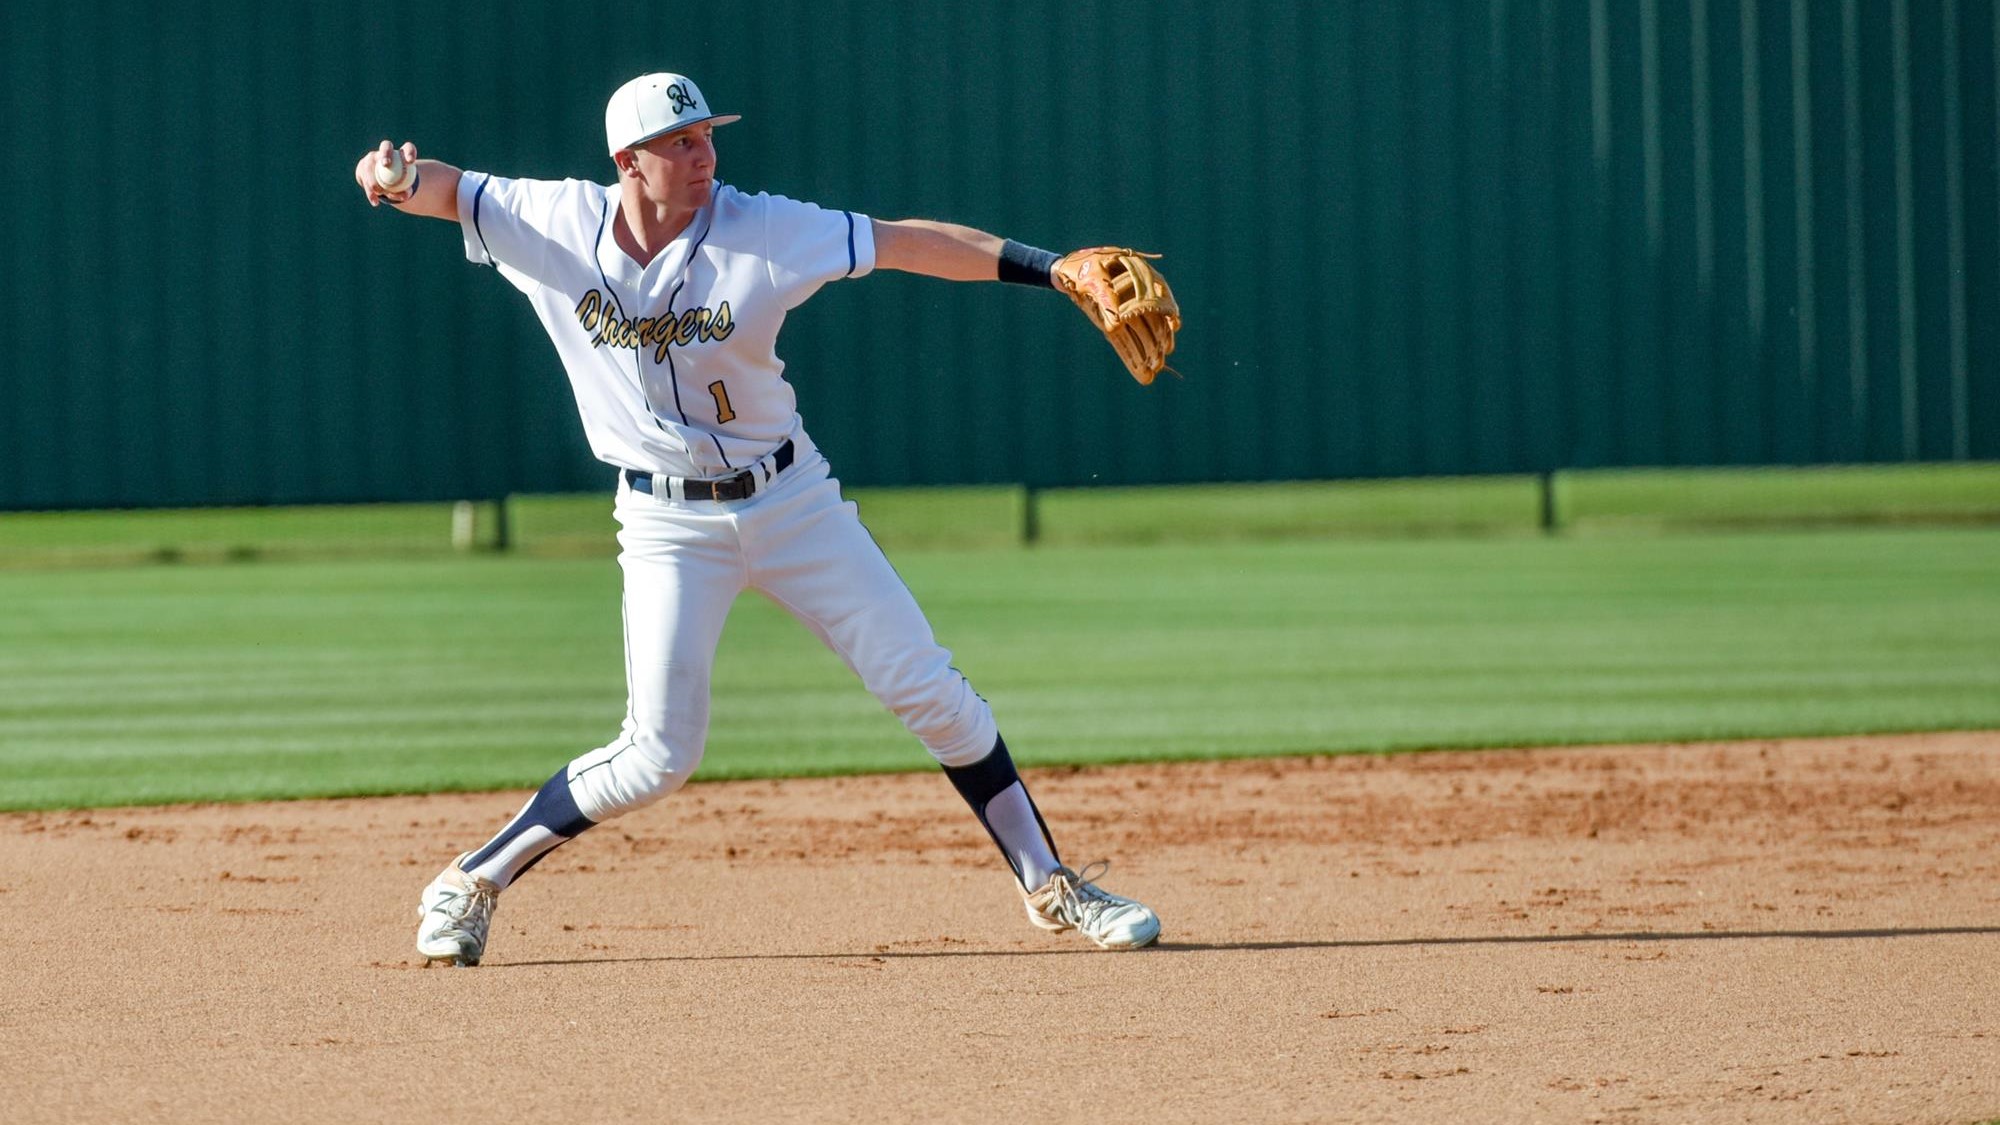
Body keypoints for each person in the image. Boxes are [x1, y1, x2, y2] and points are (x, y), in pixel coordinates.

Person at [353, 72, 1161, 966]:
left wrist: (1048, 267)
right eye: (681, 142)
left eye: (707, 135)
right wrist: (394, 178)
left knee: (932, 691)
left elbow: (906, 242)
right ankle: (471, 880)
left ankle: (1051, 883)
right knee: (658, 754)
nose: (705, 154)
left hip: (790, 501)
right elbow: (448, 191)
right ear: (629, 162)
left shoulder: (764, 229)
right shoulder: (554, 220)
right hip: (665, 524)